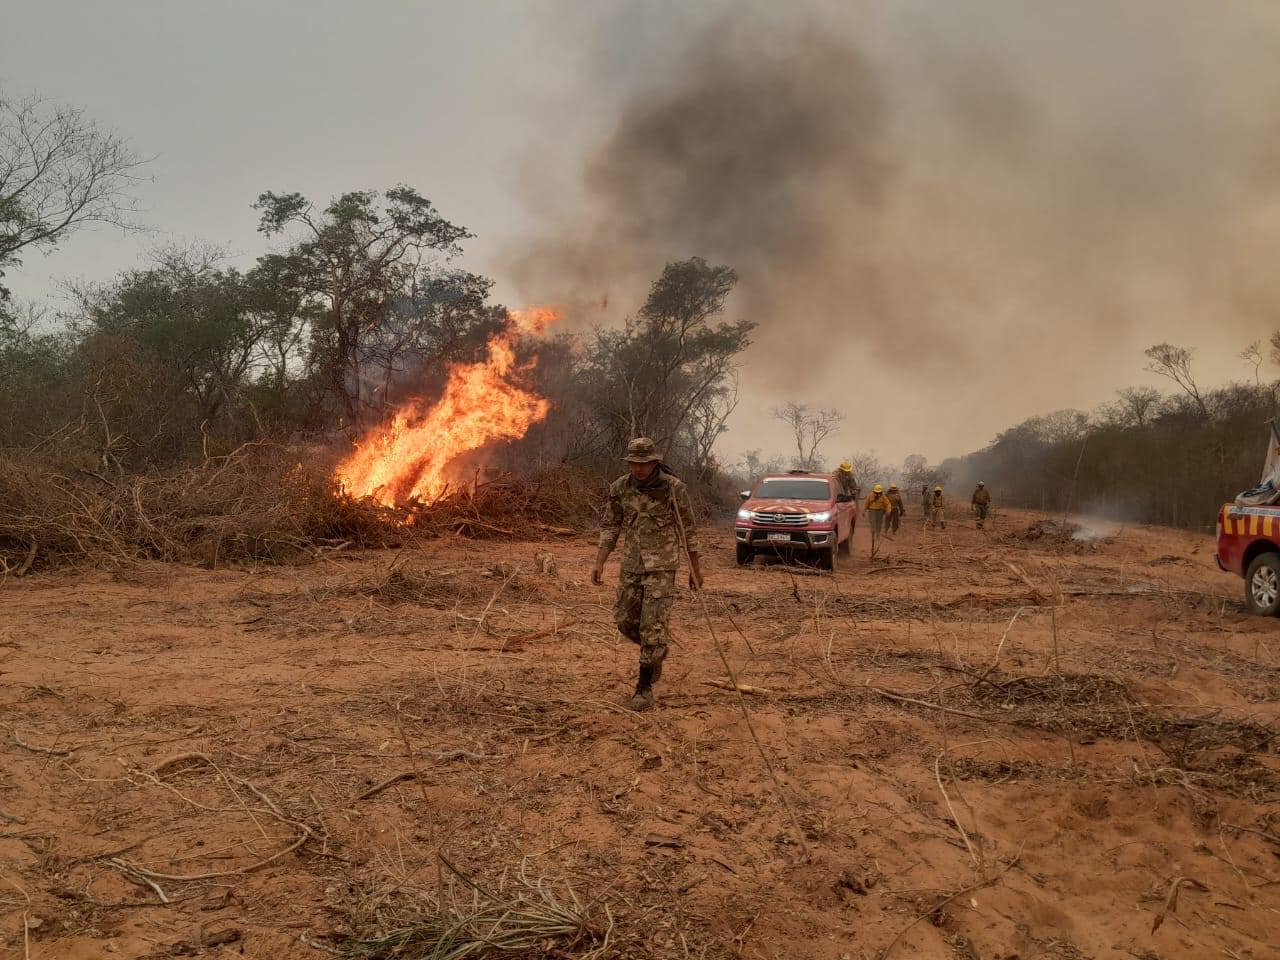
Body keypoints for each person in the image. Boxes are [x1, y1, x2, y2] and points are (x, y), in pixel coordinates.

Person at [592, 437, 703, 711]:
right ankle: (655, 650)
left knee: (651, 625)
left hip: (662, 567)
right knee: (624, 620)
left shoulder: (673, 488)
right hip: (631, 565)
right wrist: (600, 562)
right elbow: (611, 525)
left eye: (644, 463)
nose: (639, 469)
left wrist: (695, 569)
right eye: (634, 463)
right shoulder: (620, 488)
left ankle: (644, 687)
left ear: (655, 462)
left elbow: (687, 530)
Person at [863, 483, 894, 550]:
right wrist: (864, 511)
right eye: (876, 492)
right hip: (871, 511)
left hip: (880, 512)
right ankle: (873, 536)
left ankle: (878, 534)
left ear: (881, 492)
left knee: (879, 524)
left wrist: (888, 511)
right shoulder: (870, 495)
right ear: (874, 491)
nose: (877, 494)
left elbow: (888, 504)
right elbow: (866, 503)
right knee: (873, 524)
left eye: (879, 492)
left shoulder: (883, 497)